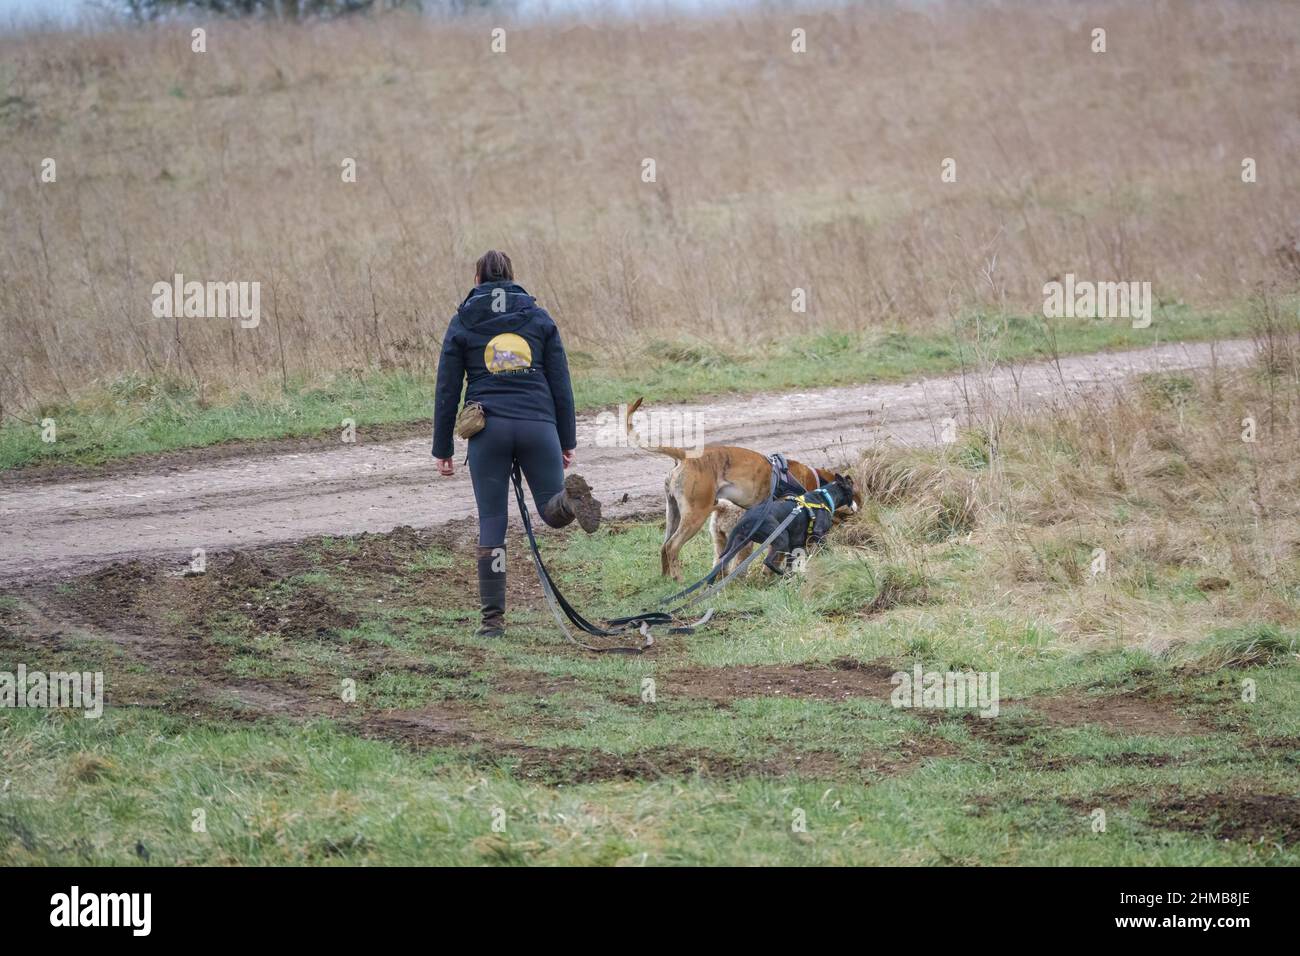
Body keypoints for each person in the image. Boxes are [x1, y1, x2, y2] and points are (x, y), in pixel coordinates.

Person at [432, 250, 602, 637]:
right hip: (537, 424)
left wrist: (443, 447)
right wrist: (567, 439)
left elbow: (447, 388)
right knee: (548, 508)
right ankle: (569, 501)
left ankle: (492, 623)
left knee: (493, 522)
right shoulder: (539, 318)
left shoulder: (463, 321)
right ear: (512, 278)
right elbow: (561, 383)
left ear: (478, 279)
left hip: (487, 430)